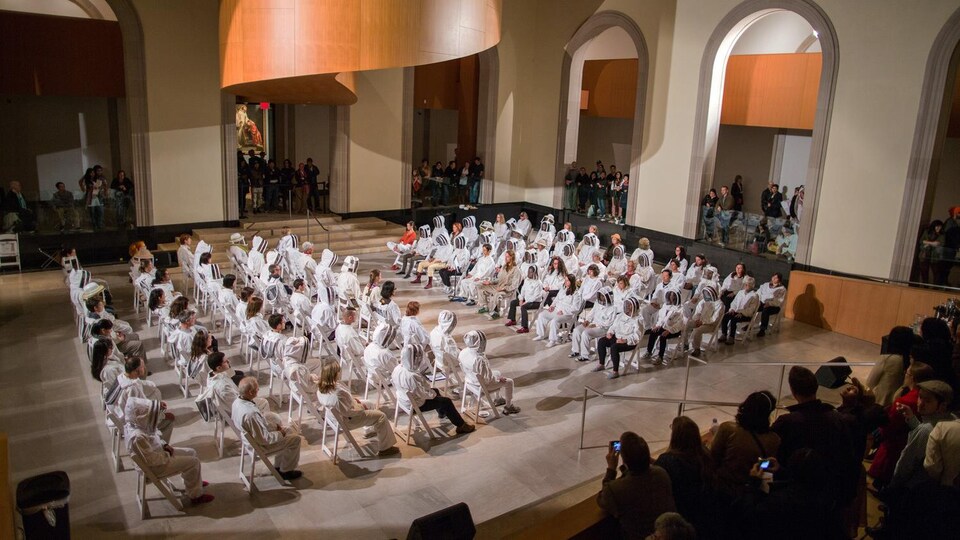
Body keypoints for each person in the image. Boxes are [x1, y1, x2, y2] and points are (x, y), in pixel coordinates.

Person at [772, 366, 858, 512]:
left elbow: (773, 451)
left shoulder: (786, 422)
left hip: (792, 491)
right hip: (829, 492)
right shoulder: (837, 419)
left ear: (793, 392)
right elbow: (848, 457)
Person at [124, 397, 214, 505]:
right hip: (155, 467)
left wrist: (164, 445)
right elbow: (151, 460)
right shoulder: (138, 437)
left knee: (191, 452)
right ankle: (196, 496)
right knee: (193, 462)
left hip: (160, 454)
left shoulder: (139, 425)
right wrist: (167, 454)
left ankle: (194, 482)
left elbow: (154, 437)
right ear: (142, 417)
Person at [868, 360, 936, 488]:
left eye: (908, 373)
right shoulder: (925, 399)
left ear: (913, 379)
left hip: (894, 448)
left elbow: (888, 428)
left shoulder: (905, 401)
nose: (905, 373)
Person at [597, 431, 676, 540]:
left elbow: (602, 499)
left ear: (624, 460)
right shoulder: (661, 473)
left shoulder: (615, 490)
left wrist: (611, 469)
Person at [316, 363, 400, 456]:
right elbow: (348, 412)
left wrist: (356, 402)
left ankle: (369, 431)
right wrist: (361, 408)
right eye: (338, 372)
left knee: (369, 403)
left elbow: (345, 404)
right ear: (334, 374)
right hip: (347, 420)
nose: (340, 373)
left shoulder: (321, 389)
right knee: (381, 416)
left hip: (335, 417)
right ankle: (385, 448)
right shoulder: (338, 393)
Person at [391, 344, 475, 434]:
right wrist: (432, 394)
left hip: (403, 400)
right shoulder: (411, 376)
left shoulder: (398, 368)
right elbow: (424, 394)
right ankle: (461, 425)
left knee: (436, 390)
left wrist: (431, 392)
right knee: (446, 401)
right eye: (416, 358)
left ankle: (442, 412)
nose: (418, 361)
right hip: (415, 404)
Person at [710, 390, 781, 493]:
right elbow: (762, 465)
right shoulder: (774, 440)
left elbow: (713, 457)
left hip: (722, 487)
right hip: (749, 490)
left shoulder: (728, 429)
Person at [232, 377, 302, 480]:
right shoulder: (251, 414)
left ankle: (279, 465)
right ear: (251, 392)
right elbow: (265, 439)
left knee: (288, 430)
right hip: (259, 446)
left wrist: (275, 427)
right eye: (257, 389)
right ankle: (286, 471)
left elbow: (258, 428)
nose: (258, 390)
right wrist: (280, 433)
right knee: (295, 439)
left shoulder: (237, 402)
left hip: (250, 438)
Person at [654, 417, 714, 536]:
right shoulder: (705, 454)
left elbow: (657, 472)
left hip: (681, 513)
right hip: (705, 512)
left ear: (676, 437)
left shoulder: (668, 460)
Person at [866, 326, 918, 407]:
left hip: (879, 403)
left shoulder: (887, 359)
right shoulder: (913, 362)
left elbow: (869, 383)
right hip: (899, 405)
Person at [593, 297, 642, 379]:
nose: (628, 307)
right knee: (602, 341)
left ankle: (615, 371)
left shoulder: (638, 320)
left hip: (629, 342)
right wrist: (610, 332)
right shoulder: (620, 316)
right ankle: (601, 364)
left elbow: (637, 336)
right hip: (617, 338)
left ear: (635, 307)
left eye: (630, 305)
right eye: (627, 305)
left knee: (614, 347)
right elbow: (613, 326)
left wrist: (625, 340)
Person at [534, 273, 582, 347]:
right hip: (557, 310)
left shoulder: (576, 293)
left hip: (567, 314)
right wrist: (552, 306)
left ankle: (552, 340)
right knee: (542, 315)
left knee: (555, 320)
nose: (565, 282)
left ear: (572, 282)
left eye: (567, 281)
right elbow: (556, 299)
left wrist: (564, 311)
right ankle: (541, 335)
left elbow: (575, 308)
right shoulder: (563, 289)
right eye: (565, 280)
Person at [642, 290, 684, 366]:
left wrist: (669, 330)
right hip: (664, 327)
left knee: (662, 336)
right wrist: (658, 325)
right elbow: (661, 318)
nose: (671, 298)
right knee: (653, 332)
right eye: (670, 296)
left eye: (673, 297)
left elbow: (679, 324)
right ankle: (649, 351)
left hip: (674, 330)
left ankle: (660, 357)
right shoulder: (665, 306)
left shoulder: (680, 309)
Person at [478, 250, 520, 320]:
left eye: (507, 257)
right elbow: (498, 279)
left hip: (508, 290)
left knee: (498, 294)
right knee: (481, 287)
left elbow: (514, 286)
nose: (505, 258)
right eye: (505, 257)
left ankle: (496, 312)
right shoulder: (504, 267)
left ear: (512, 258)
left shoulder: (516, 270)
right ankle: (485, 306)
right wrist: (490, 282)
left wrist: (504, 288)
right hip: (498, 286)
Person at [719, 276, 759, 344]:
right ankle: (724, 334)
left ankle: (731, 337)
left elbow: (751, 309)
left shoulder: (754, 296)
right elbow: (734, 302)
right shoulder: (740, 292)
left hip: (746, 315)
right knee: (725, 316)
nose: (746, 286)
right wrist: (732, 309)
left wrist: (742, 313)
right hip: (736, 311)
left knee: (734, 320)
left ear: (752, 285)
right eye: (745, 284)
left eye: (748, 284)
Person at [687, 286, 723, 357]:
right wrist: (696, 320)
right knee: (686, 324)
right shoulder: (703, 301)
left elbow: (714, 319)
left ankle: (696, 349)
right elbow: (697, 312)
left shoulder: (719, 304)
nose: (705, 296)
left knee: (697, 331)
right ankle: (685, 343)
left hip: (711, 325)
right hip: (699, 321)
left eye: (707, 294)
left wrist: (702, 322)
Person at [506, 265, 544, 333]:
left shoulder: (538, 283)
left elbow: (535, 297)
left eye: (531, 272)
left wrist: (525, 302)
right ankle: (513, 320)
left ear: (535, 273)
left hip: (535, 302)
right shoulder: (526, 280)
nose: (529, 273)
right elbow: (522, 291)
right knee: (513, 302)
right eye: (528, 272)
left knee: (523, 307)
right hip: (526, 300)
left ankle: (525, 327)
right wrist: (521, 299)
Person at [755, 272, 786, 337]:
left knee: (765, 310)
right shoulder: (766, 284)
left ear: (779, 280)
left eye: (776, 278)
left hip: (774, 306)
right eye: (773, 277)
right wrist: (759, 299)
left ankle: (762, 329)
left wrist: (769, 303)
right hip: (762, 302)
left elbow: (779, 301)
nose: (774, 278)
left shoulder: (782, 289)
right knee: (753, 307)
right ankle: (750, 324)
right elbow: (758, 292)